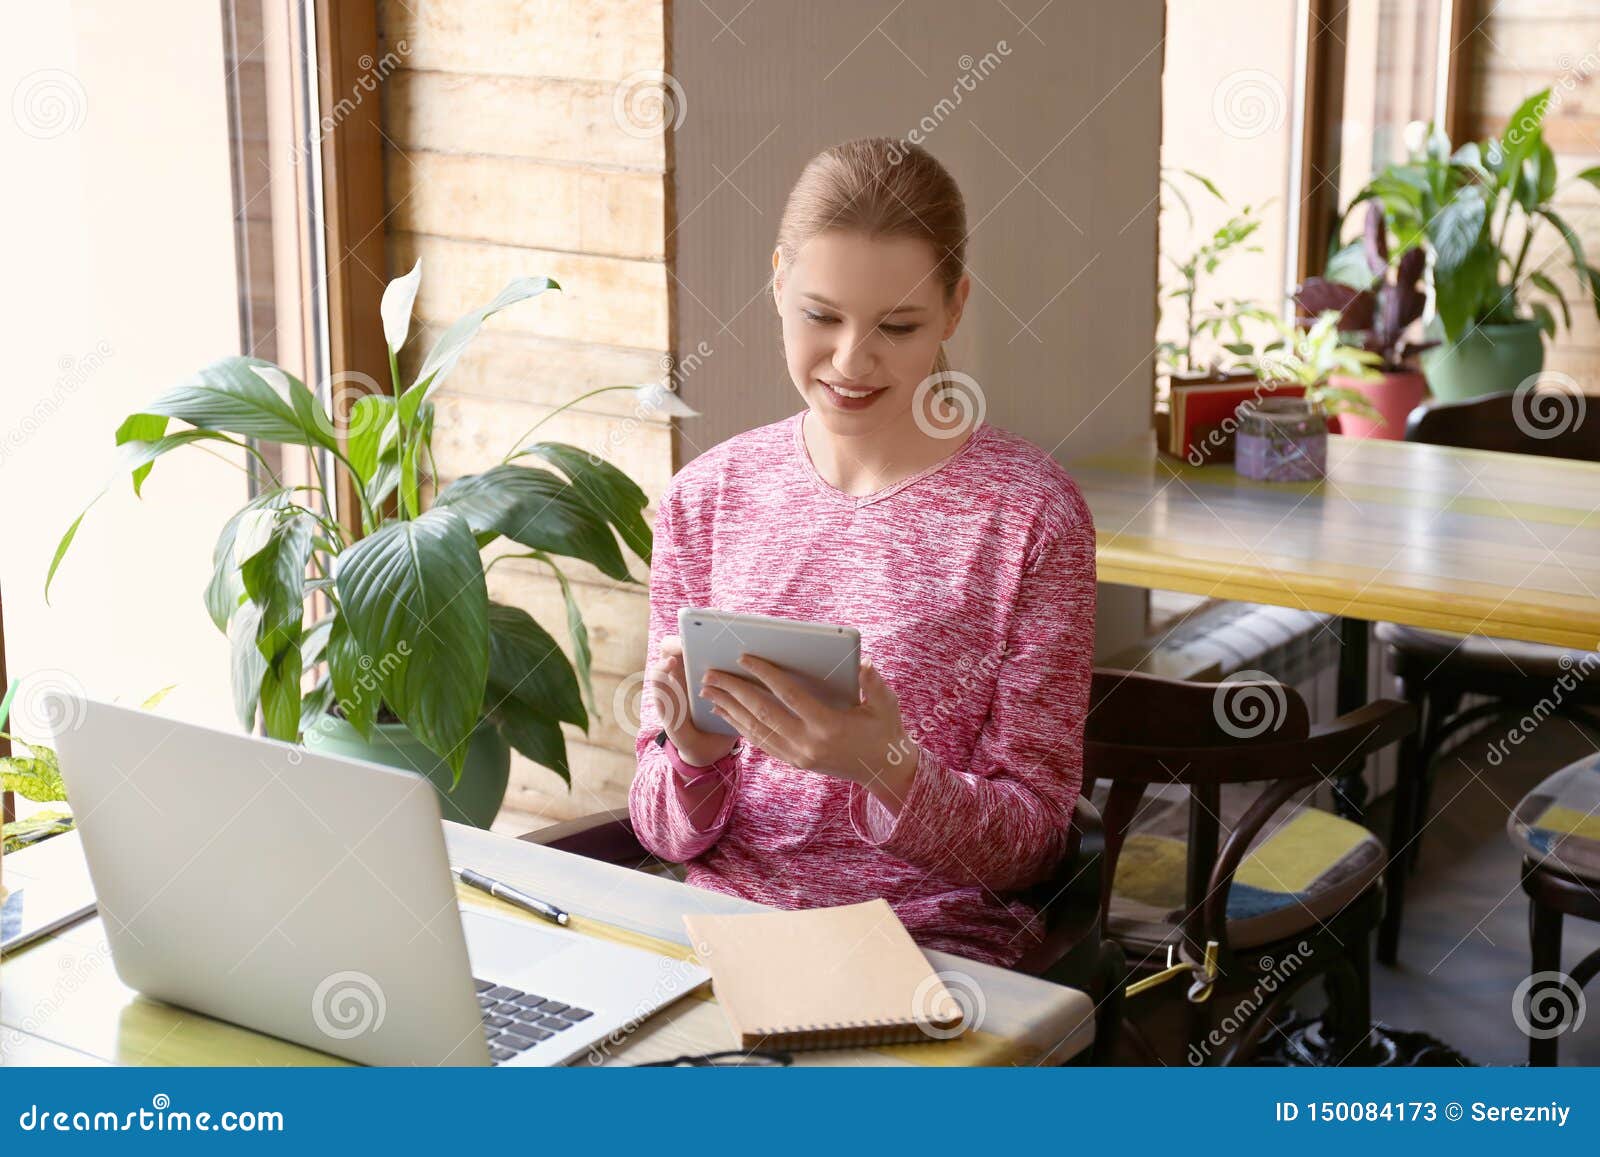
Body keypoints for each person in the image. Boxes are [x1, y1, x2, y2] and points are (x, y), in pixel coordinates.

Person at [628, 136, 1096, 969]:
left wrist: (887, 766)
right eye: (821, 315)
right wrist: (694, 759)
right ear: (778, 283)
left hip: (928, 953)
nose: (850, 360)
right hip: (715, 940)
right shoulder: (706, 497)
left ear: (954, 309)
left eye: (898, 325)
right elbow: (662, 829)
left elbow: (1035, 847)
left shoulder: (1031, 516)